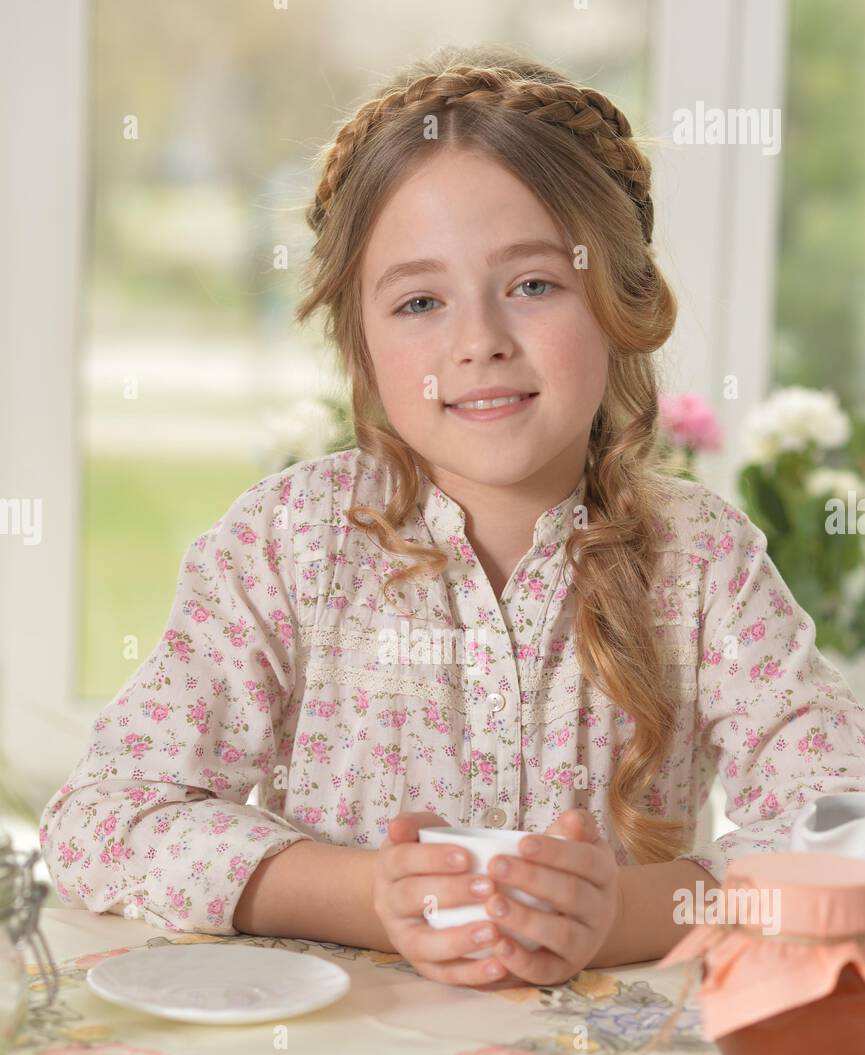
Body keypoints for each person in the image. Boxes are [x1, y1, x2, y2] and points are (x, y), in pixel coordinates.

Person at [38, 44, 865, 991]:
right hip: (337, 1051)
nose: (478, 342)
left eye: (533, 285)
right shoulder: (285, 545)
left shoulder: (701, 560)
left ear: (621, 300)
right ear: (359, 341)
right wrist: (365, 896)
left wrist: (625, 915)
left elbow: (845, 829)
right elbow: (103, 820)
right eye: (420, 301)